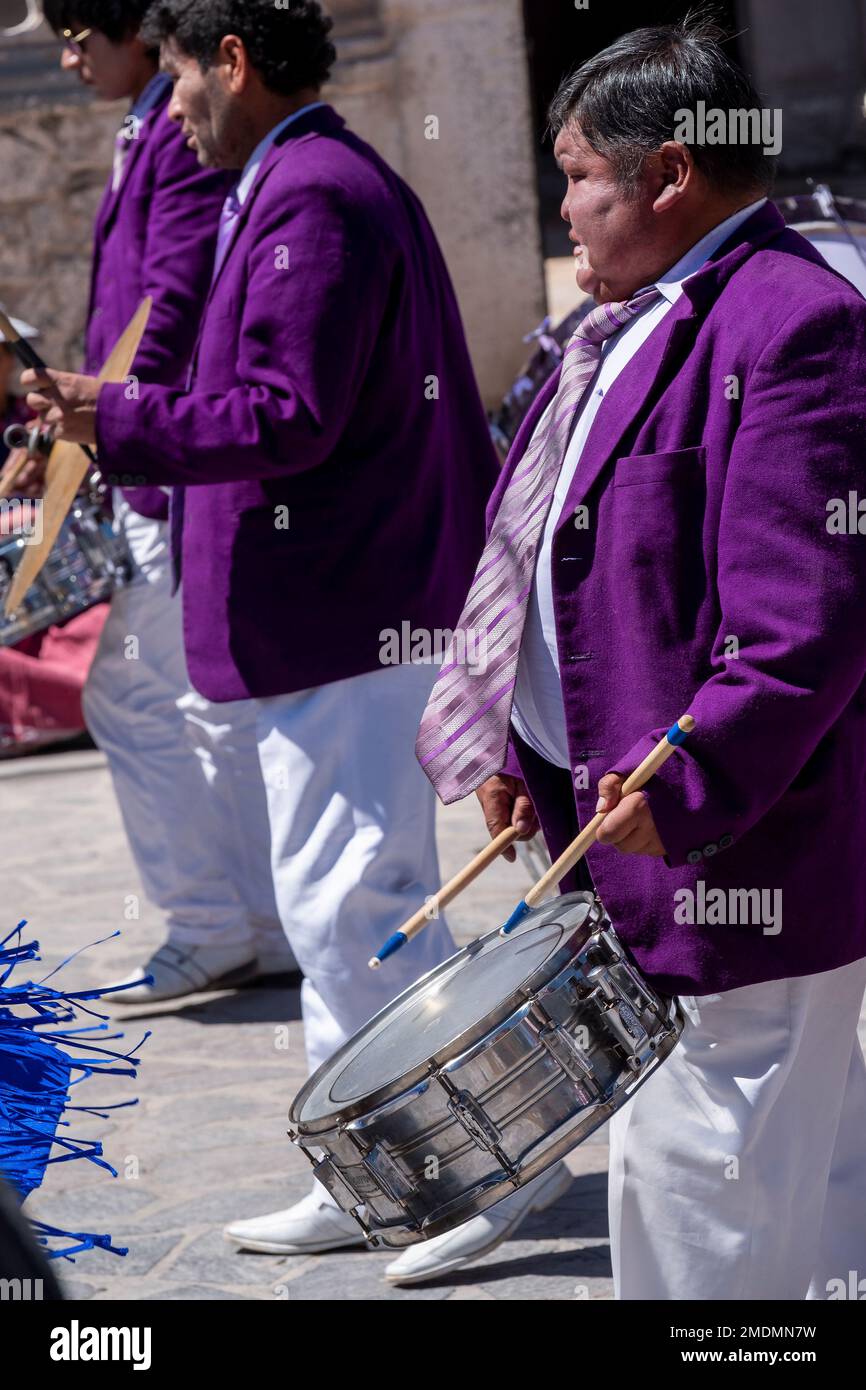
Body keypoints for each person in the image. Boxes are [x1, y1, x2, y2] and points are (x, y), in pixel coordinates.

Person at [20, 0, 515, 1258]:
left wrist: (116, 417)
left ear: (230, 64)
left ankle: (444, 1171)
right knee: (346, 900)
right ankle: (392, 1157)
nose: (169, 107)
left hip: (353, 601)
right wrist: (104, 407)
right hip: (342, 603)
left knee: (356, 899)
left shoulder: (313, 197)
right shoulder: (286, 182)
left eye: (180, 77)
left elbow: (286, 413)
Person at [407, 15, 866, 1295]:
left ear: (667, 175)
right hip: (616, 825)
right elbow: (551, 552)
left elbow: (802, 623)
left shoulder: (792, 324)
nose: (562, 210)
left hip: (728, 855)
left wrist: (685, 788)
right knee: (800, 1182)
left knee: (696, 1195)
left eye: (579, 179)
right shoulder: (624, 320)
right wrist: (518, 739)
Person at [28, 0, 299, 998]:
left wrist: (109, 417)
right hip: (144, 441)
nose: (63, 58)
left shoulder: (177, 130)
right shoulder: (143, 123)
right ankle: (253, 918)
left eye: (74, 35)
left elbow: (169, 300)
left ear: (136, 37)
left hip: (167, 454)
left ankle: (213, 920)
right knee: (188, 698)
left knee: (138, 695)